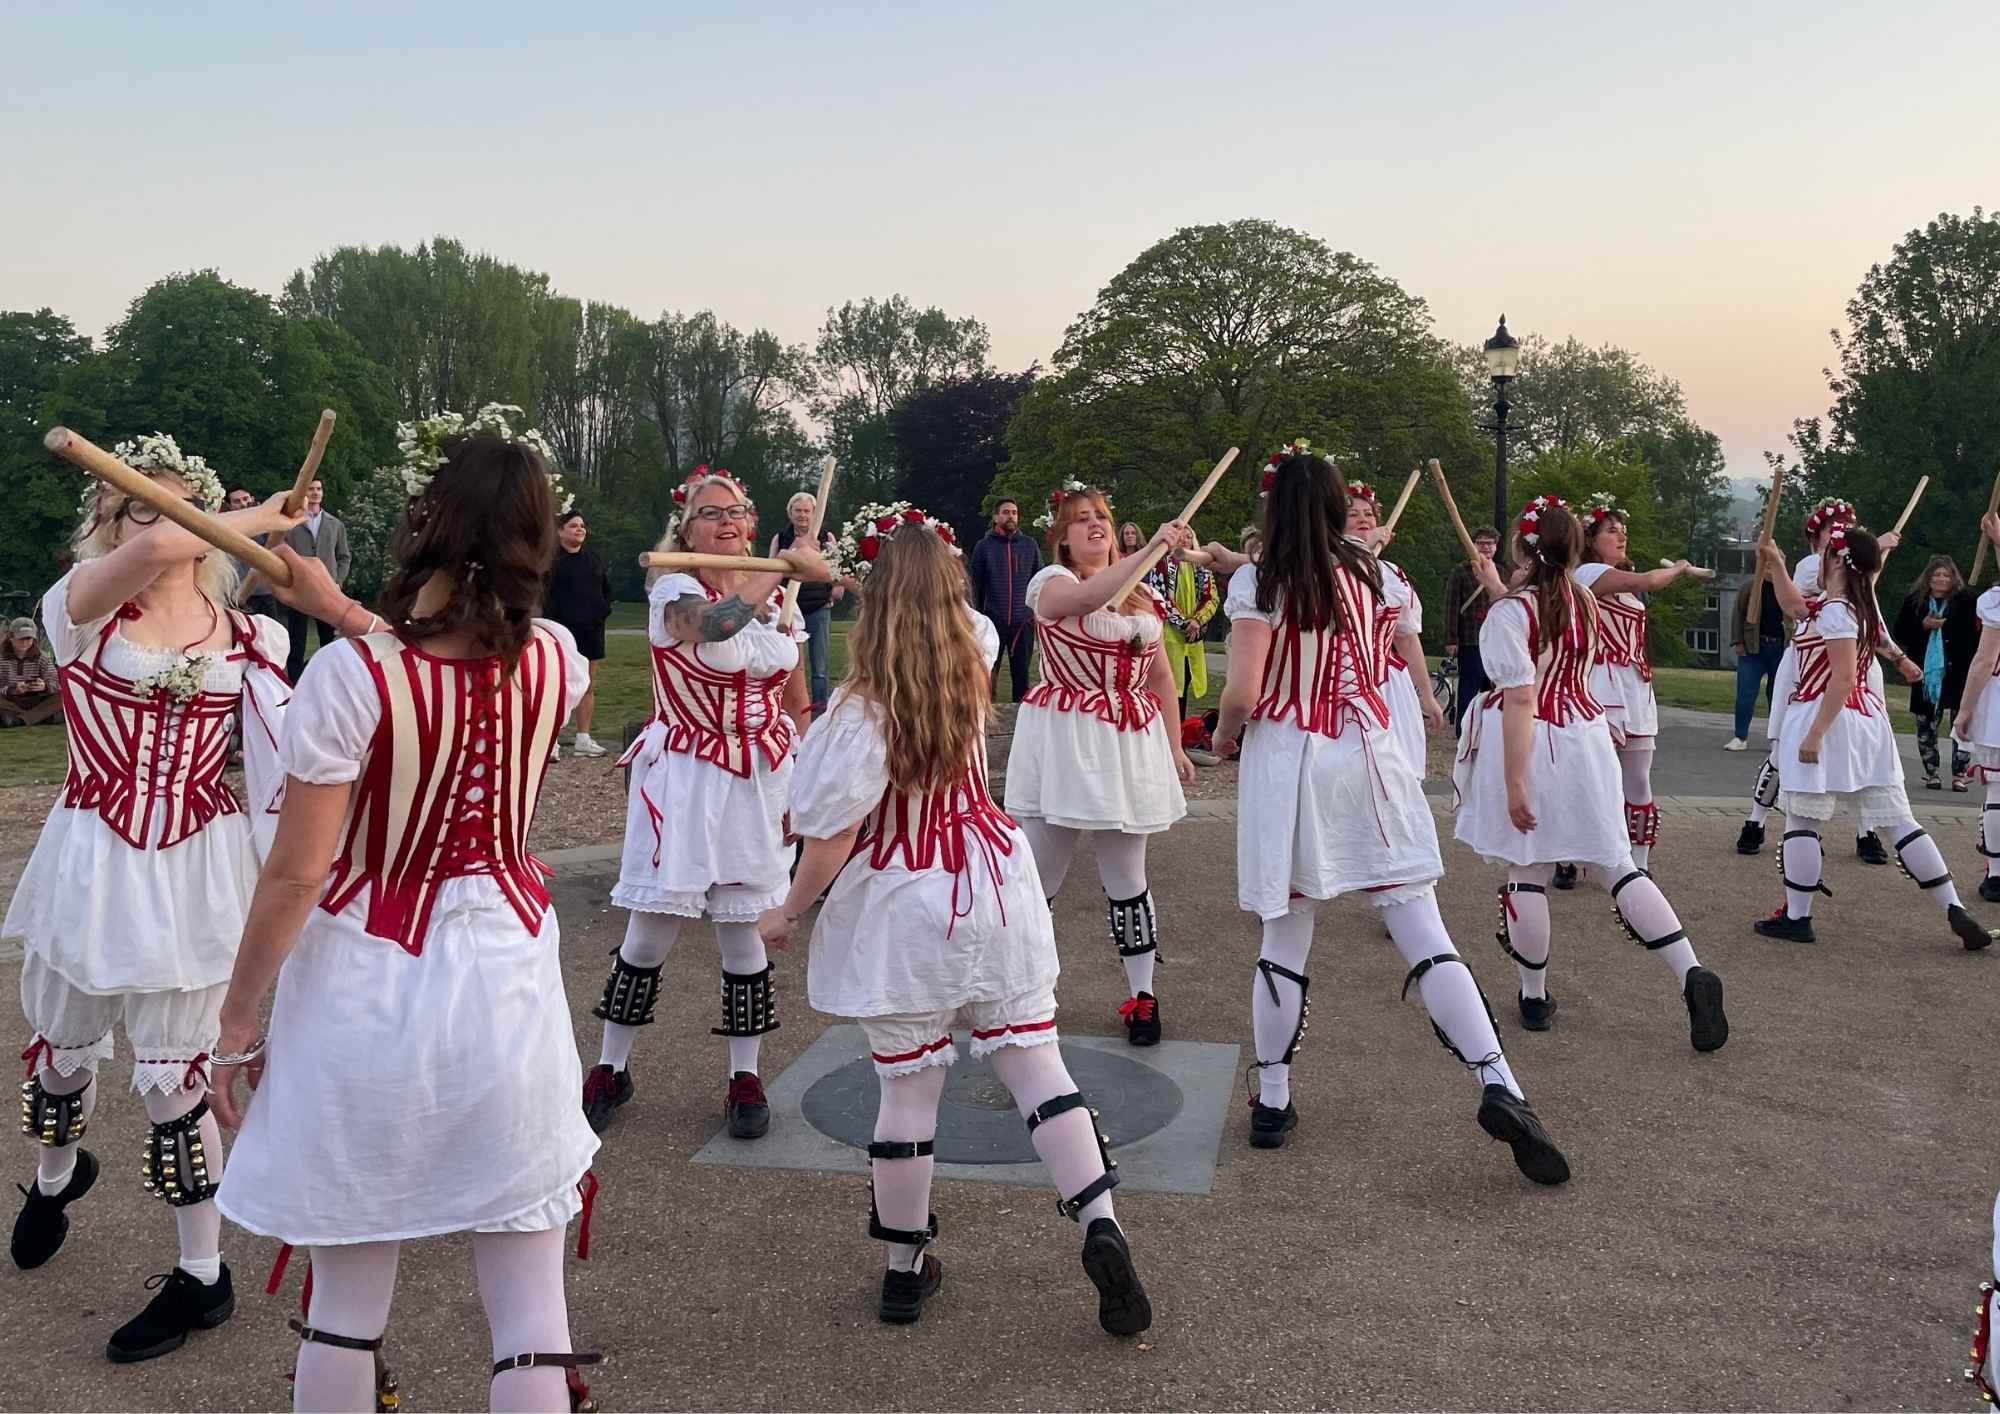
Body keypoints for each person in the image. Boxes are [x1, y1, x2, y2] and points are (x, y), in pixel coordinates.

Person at [209, 433, 605, 1414]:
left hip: (367, 984)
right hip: (507, 979)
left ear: (424, 520)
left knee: (345, 1300)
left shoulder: (350, 680)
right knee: (529, 1310)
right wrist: (339, 611)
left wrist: (234, 1021)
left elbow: (298, 872)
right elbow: (458, 664)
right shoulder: (558, 662)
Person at [758, 516, 1150, 1336]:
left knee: (907, 1089)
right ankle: (1101, 1223)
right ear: (953, 591)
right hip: (992, 881)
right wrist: (874, 571)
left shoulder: (861, 712)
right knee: (1036, 1065)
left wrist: (787, 912)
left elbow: (830, 834)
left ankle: (904, 1270)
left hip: (905, 901)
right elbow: (943, 610)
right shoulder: (975, 652)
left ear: (875, 607)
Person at [3, 432, 299, 1361]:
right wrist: (261, 516)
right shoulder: (80, 610)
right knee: (62, 1053)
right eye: (133, 500)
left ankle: (202, 1277)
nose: (157, 515)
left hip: (198, 871)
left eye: (170, 500)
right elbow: (153, 549)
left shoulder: (260, 637)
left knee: (177, 1079)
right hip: (93, 860)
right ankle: (55, 1177)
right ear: (105, 522)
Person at [1202, 449, 1566, 1179]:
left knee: (1285, 931)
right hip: (1371, 754)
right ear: (1340, 507)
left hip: (1293, 760)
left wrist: (1222, 734)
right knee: (1423, 929)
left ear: (1272, 509)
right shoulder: (1381, 574)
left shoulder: (1261, 579)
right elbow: (1399, 655)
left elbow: (1242, 691)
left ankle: (1272, 1099)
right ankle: (1500, 1080)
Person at [585, 468, 825, 1139]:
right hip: (688, 773)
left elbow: (791, 681)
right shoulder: (675, 591)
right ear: (685, 529)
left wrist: (805, 758)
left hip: (758, 774)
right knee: (651, 930)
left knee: (744, 930)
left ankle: (743, 1076)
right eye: (710, 513)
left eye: (737, 512)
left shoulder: (779, 597)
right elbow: (715, 629)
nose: (726, 521)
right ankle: (612, 1066)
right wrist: (778, 569)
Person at [1453, 495, 1729, 1051]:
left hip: (1538, 738)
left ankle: (1534, 996)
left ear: (1522, 547)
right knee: (1616, 865)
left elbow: (1520, 695)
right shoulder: (1582, 597)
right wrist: (1499, 587)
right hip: (1587, 734)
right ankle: (1690, 971)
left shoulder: (1514, 611)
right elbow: (1543, 629)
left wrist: (1514, 783)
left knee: (1527, 869)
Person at [1006, 485, 1193, 1047]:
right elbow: (1084, 603)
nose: (1095, 527)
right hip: (1066, 736)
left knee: (1128, 877)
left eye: (1103, 518)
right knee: (1041, 875)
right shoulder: (1052, 584)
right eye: (1081, 520)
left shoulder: (1140, 599)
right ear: (1061, 537)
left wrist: (1176, 746)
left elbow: (1160, 677)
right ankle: (1021, 992)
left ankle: (1142, 997)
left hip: (1126, 742)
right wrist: (1150, 549)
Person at [1751, 527, 1989, 950]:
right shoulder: (1852, 606)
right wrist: (1777, 564)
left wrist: (1814, 734)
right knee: (1899, 820)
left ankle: (1797, 916)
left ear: (1839, 561)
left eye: (1826, 554)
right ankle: (1952, 906)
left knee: (1803, 819)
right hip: (1867, 722)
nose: (1821, 560)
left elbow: (1841, 679)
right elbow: (1794, 604)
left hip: (1827, 715)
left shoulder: (1838, 610)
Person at [1737, 499, 1921, 864]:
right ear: (1817, 536)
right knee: (1784, 752)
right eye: (1833, 526)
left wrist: (1898, 657)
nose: (1842, 529)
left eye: (1849, 524)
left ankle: (1866, 831)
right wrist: (1875, 549)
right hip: (1809, 664)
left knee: (1862, 757)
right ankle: (1756, 822)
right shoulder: (1814, 565)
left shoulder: (1854, 583)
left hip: (1855, 664)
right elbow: (1799, 604)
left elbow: (1872, 619)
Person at [1568, 498, 1702, 878]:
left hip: (1634, 686)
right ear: (1591, 540)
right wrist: (1677, 568)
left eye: (1622, 529)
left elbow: (1637, 584)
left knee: (1638, 777)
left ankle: (1638, 865)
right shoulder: (1589, 573)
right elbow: (1649, 581)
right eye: (1611, 530)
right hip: (1599, 684)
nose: (1621, 535)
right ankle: (1571, 856)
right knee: (1593, 775)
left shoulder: (1619, 576)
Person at [1345, 481, 1444, 780]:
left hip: (1390, 685)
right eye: (1353, 515)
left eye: (1369, 514)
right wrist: (1360, 548)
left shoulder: (1391, 574)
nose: (1364, 519)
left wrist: (1426, 695)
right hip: (1346, 682)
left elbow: (1407, 638)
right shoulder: (1328, 567)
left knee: (1397, 777)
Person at [1893, 555, 1977, 790]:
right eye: (1937, 574)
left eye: (1946, 575)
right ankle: (1932, 772)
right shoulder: (1915, 602)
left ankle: (1960, 773)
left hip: (1959, 672)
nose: (1941, 579)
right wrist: (1923, 626)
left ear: (1953, 579)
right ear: (1928, 578)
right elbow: (1899, 634)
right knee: (1926, 724)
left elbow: (1977, 633)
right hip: (1925, 673)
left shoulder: (1965, 601)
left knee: (1961, 724)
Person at [546, 509, 614, 758]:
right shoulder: (549, 561)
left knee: (587, 684)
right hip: (561, 632)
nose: (580, 529)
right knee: (558, 685)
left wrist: (601, 612)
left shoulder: (594, 559)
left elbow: (606, 591)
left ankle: (583, 739)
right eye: (573, 525)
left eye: (582, 525)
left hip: (591, 630)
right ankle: (551, 740)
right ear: (560, 531)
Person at [770, 492, 842, 718]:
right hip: (790, 610)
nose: (802, 515)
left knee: (820, 668)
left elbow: (838, 567)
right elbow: (770, 570)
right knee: (790, 663)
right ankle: (789, 711)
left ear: (814, 513)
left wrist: (836, 588)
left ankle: (819, 715)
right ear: (790, 513)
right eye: (798, 511)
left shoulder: (825, 537)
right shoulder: (780, 538)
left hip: (819, 607)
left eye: (807, 511)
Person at [966, 498, 1041, 703]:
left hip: (1022, 623)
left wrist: (1035, 614)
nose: (1011, 516)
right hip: (993, 622)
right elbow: (976, 586)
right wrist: (977, 616)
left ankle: (1021, 723)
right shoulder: (984, 547)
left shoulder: (1029, 545)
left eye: (1014, 512)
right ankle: (988, 721)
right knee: (988, 675)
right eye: (1006, 512)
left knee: (1022, 678)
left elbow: (1039, 581)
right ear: (996, 517)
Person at [1142, 533, 1219, 722]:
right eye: (1180, 536)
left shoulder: (1202, 568)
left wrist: (1197, 621)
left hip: (1193, 639)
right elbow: (1160, 599)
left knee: (1185, 686)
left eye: (1188, 536)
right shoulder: (1161, 565)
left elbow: (1212, 598)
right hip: (1170, 636)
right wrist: (1185, 624)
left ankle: (1179, 732)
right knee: (1166, 687)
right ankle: (1165, 732)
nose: (1184, 540)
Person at [280, 479, 351, 683]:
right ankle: (294, 683)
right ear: (303, 493)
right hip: (299, 590)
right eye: (310, 489)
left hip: (327, 591)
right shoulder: (291, 525)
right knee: (297, 641)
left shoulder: (335, 524)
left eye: (319, 489)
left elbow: (344, 556)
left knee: (329, 640)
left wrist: (337, 581)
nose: (315, 492)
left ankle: (328, 680)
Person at [1444, 526, 1500, 733]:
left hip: (1496, 639)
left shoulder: (1502, 572)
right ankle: (1463, 730)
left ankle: (1487, 730)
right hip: (1470, 637)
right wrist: (1451, 638)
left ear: (1496, 546)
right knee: (1468, 686)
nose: (1485, 547)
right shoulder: (1460, 572)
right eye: (1481, 543)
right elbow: (1452, 605)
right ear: (1473, 545)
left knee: (1492, 687)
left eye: (1489, 543)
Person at [1726, 572, 1787, 750]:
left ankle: (1776, 739)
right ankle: (1740, 737)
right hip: (1753, 648)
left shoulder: (1787, 587)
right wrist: (1738, 641)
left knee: (1777, 695)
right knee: (1746, 692)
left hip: (1780, 649)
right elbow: (1738, 613)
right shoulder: (1751, 587)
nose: (1771, 568)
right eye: (1767, 563)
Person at [0, 618, 60, 727]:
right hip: (9, 702)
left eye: (28, 638)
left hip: (37, 700)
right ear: (11, 637)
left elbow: (57, 684)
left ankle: (19, 720)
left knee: (63, 696)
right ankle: (38, 717)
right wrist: (11, 689)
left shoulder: (42, 658)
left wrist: (44, 686)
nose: (24, 642)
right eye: (20, 638)